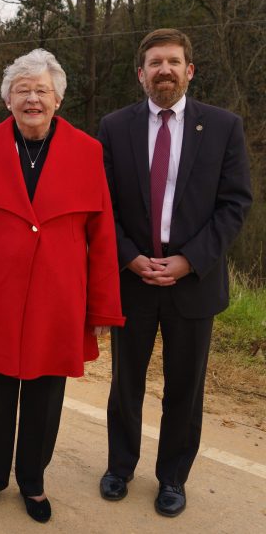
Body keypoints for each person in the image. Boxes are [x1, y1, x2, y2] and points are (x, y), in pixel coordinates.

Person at [0, 48, 124, 523]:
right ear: (8, 100)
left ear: (58, 98)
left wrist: (103, 309)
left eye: (42, 90)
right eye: (23, 91)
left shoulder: (88, 152)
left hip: (58, 298)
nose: (33, 99)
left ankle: (33, 482)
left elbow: (102, 238)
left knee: (45, 393)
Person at [97, 28, 252, 517]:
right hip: (133, 279)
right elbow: (102, 205)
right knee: (126, 383)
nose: (164, 70)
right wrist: (127, 255)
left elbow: (235, 204)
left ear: (190, 71)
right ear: (141, 74)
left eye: (173, 61)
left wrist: (190, 260)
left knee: (184, 388)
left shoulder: (224, 126)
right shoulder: (114, 127)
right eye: (155, 63)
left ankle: (172, 478)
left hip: (194, 283)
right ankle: (119, 467)